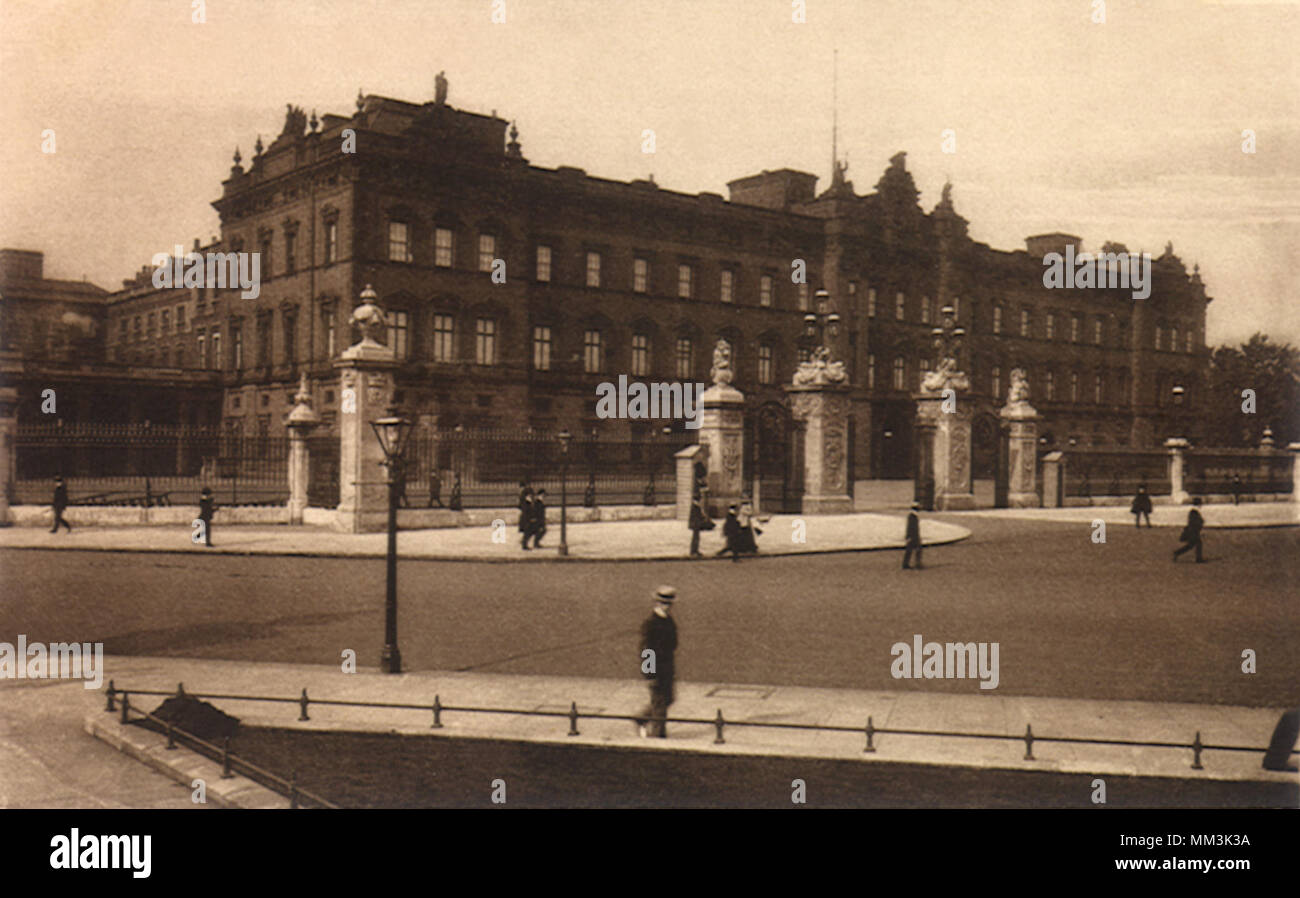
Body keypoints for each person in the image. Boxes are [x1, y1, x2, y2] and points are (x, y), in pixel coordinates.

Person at [636, 585, 678, 739]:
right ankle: (658, 737)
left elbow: (673, 643)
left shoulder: (668, 620)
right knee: (660, 704)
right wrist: (650, 674)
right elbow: (646, 650)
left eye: (669, 603)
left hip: (668, 668)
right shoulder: (651, 623)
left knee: (668, 698)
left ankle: (642, 718)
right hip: (656, 670)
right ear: (657, 603)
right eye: (663, 603)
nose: (667, 606)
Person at [1173, 497, 1205, 563]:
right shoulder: (1194, 512)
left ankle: (1177, 553)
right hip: (1193, 531)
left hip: (1193, 531)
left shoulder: (1193, 512)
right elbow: (1194, 522)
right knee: (1198, 543)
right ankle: (1198, 559)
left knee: (1191, 545)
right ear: (1198, 504)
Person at [687, 490, 712, 557]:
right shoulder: (695, 506)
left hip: (696, 524)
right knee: (696, 537)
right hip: (696, 524)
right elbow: (695, 516)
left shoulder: (695, 506)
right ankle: (694, 551)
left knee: (696, 537)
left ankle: (695, 550)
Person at [903, 502, 923, 570]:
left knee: (910, 550)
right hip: (914, 536)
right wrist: (910, 536)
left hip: (912, 536)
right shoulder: (913, 516)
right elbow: (911, 527)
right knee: (917, 550)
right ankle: (917, 564)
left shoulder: (912, 516)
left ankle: (906, 564)